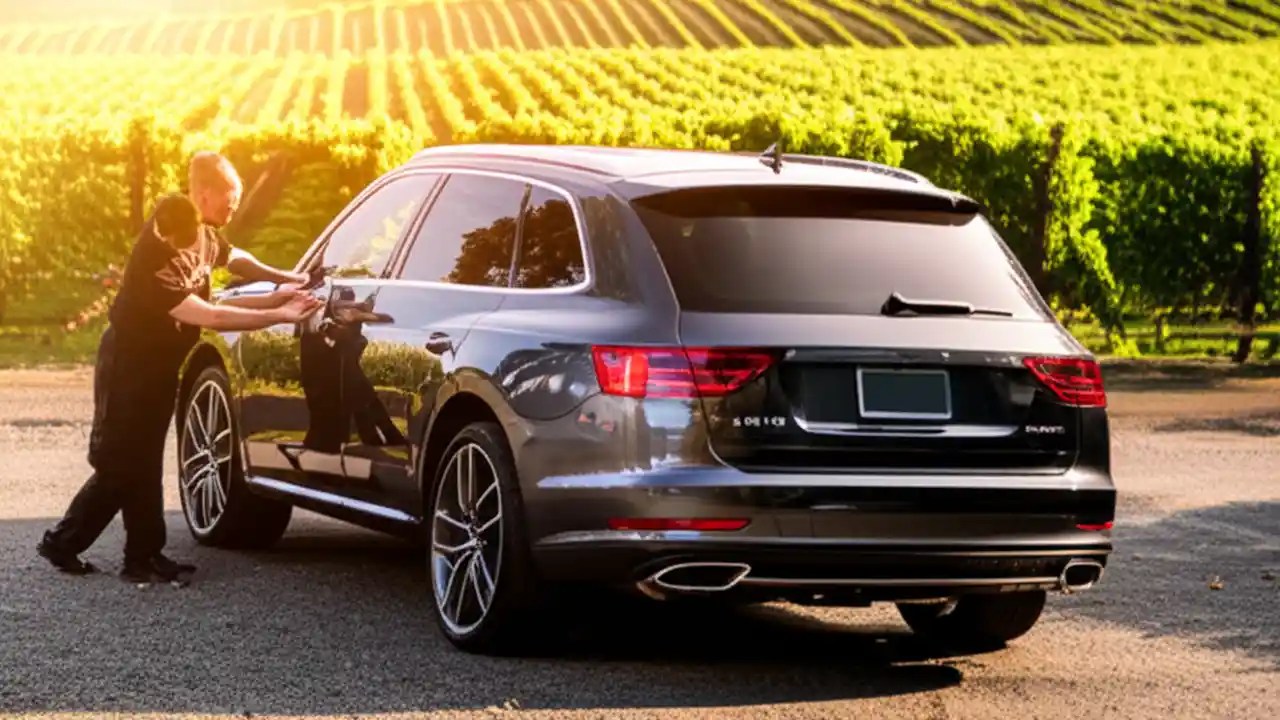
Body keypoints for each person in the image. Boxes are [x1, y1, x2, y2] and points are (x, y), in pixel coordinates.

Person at [36, 151, 323, 584]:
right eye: (229, 200)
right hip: (129, 365)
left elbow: (234, 260)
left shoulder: (204, 232)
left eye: (236, 201)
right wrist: (280, 315)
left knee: (142, 459)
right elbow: (214, 316)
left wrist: (284, 281)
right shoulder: (157, 256)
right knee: (122, 462)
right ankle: (91, 548)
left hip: (161, 365)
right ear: (203, 197)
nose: (234, 209)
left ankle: (136, 555)